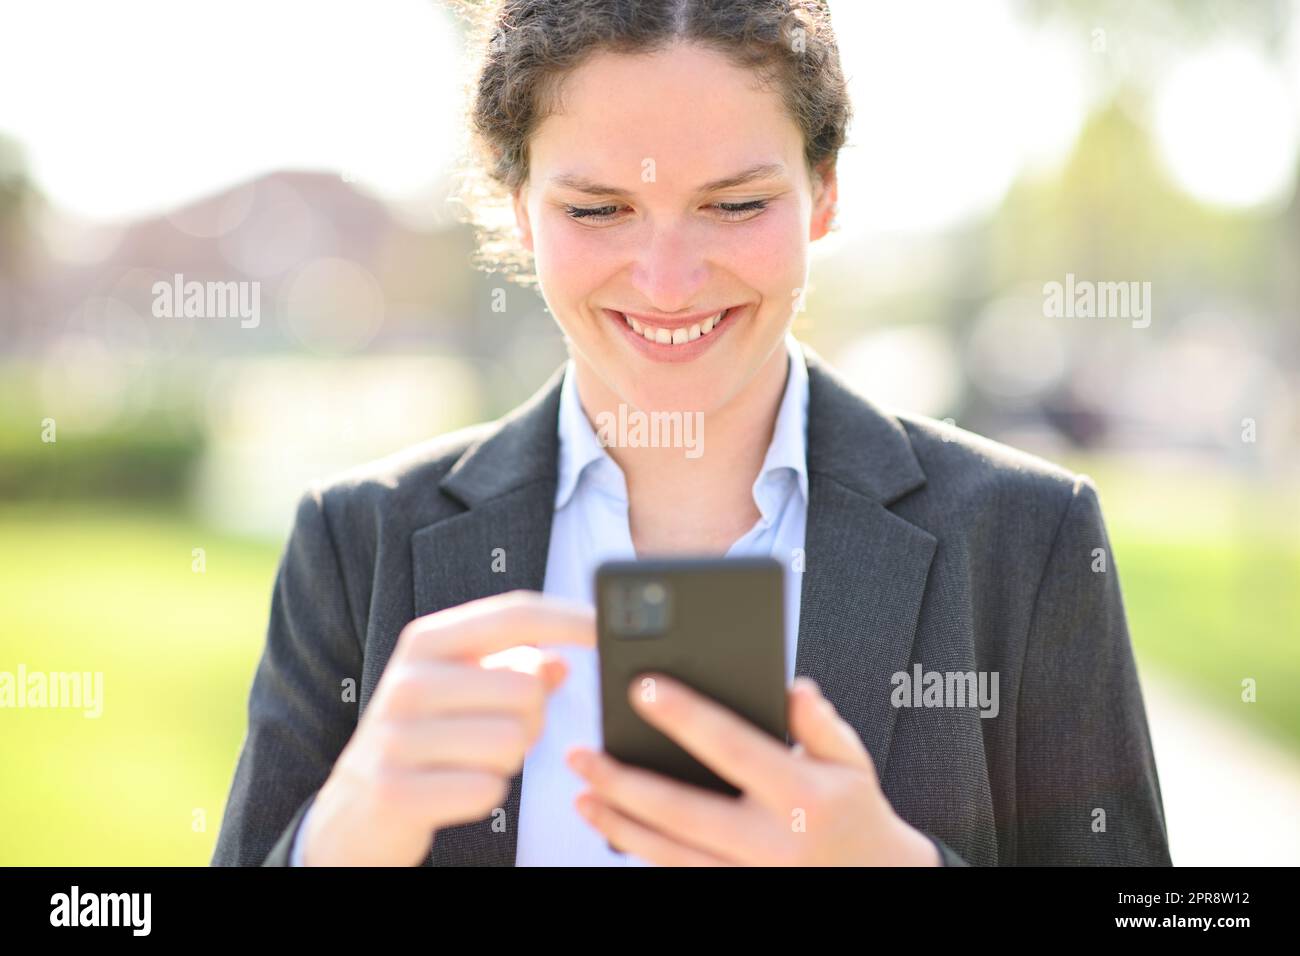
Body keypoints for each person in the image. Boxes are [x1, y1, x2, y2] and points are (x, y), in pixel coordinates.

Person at [212, 0, 1171, 867]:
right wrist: (335, 842)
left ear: (824, 191)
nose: (668, 283)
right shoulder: (355, 542)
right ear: (518, 211)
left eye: (736, 204)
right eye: (598, 210)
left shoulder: (1026, 537)